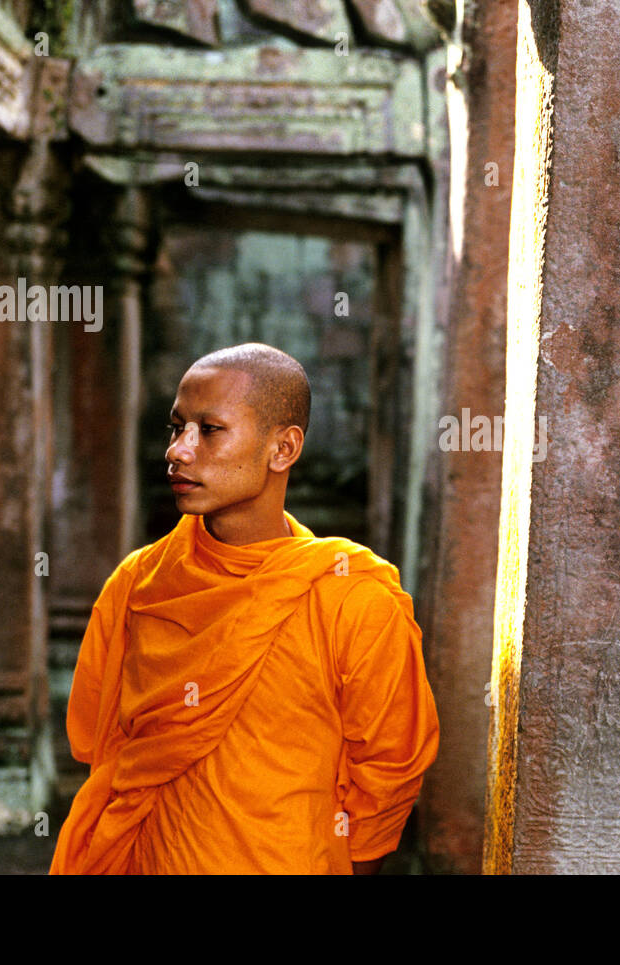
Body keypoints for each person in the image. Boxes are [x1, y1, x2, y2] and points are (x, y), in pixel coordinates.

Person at [49, 342, 439, 874]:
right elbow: (100, 745)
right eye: (177, 427)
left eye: (209, 430)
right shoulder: (140, 582)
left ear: (283, 449)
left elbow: (390, 770)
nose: (179, 451)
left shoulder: (350, 598)